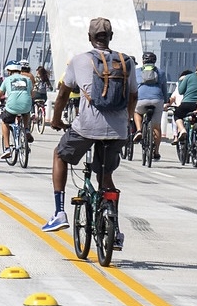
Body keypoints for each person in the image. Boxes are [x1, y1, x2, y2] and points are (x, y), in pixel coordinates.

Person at [40, 18, 133, 242]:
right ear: (110, 37)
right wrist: (126, 121)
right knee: (105, 175)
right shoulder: (126, 61)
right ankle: (115, 230)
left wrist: (56, 119)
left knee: (60, 155)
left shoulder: (79, 60)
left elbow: (63, 94)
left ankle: (59, 211)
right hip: (119, 129)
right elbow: (133, 96)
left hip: (87, 127)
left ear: (90, 37)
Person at [0, 61, 35, 162]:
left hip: (12, 106)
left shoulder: (7, 80)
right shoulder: (27, 79)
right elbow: (32, 93)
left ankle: (7, 148)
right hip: (26, 104)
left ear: (9, 71)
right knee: (26, 111)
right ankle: (27, 129)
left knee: (5, 122)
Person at [170, 58, 197, 149]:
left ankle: (182, 130)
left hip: (187, 104)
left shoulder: (189, 77)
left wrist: (180, 81)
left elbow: (181, 91)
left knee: (177, 115)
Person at [132, 52, 167, 148]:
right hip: (157, 99)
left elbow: (132, 87)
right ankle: (156, 152)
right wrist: (166, 101)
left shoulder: (136, 72)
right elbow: (164, 90)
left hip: (141, 99)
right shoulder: (161, 72)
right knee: (156, 127)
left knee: (137, 112)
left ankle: (139, 130)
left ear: (143, 61)